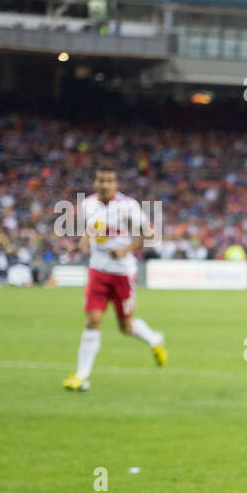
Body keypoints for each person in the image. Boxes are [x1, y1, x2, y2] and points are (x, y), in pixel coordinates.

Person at [63, 167, 167, 392]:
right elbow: (89, 232)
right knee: (93, 321)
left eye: (109, 181)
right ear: (95, 182)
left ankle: (154, 339)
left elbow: (150, 234)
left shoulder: (128, 206)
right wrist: (80, 245)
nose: (105, 185)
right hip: (98, 271)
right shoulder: (87, 205)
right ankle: (81, 376)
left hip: (123, 273)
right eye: (101, 180)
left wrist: (126, 250)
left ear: (116, 183)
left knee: (126, 327)